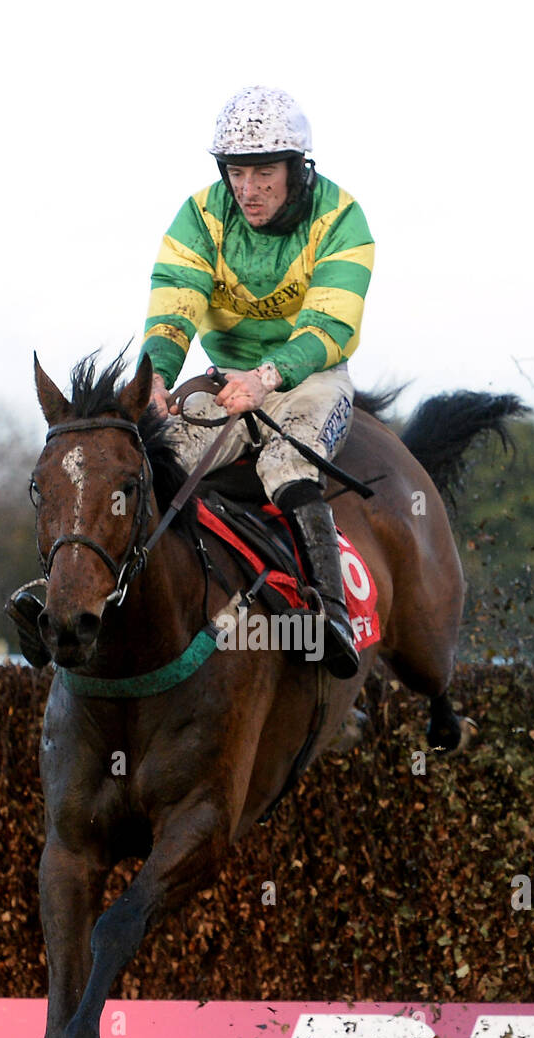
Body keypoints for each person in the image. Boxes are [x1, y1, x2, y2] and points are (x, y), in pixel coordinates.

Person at [142, 85, 374, 679]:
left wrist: (267, 377)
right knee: (154, 453)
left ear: (298, 169)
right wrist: (156, 379)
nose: (247, 190)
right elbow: (174, 307)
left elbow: (332, 323)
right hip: (227, 380)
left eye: (264, 172)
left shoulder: (341, 217)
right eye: (235, 173)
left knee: (285, 464)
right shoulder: (199, 215)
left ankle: (332, 612)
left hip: (313, 378)